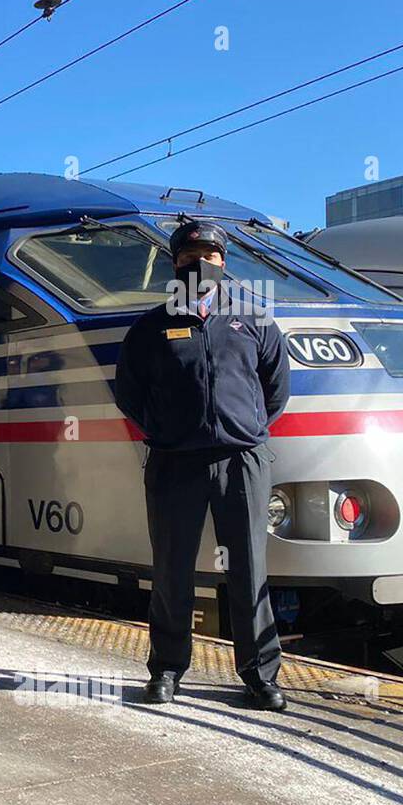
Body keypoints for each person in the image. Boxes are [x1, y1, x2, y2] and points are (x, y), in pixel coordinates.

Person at [114, 219, 291, 711]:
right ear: (176, 265)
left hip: (242, 461)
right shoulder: (151, 327)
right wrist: (169, 429)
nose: (202, 264)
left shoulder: (254, 321)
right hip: (175, 462)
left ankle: (259, 675)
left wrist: (247, 428)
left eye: (210, 256)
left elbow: (275, 390)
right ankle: (167, 670)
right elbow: (129, 391)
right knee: (172, 569)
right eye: (191, 258)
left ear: (223, 262)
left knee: (249, 570)